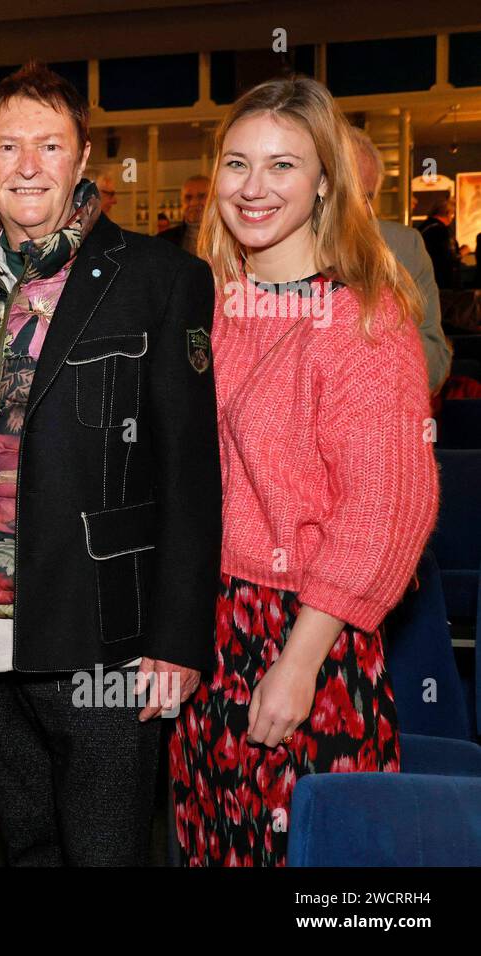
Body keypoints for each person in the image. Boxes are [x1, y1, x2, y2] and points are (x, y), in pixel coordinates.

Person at [0, 61, 221, 866]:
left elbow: (190, 473)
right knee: (29, 846)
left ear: (83, 159)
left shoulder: (161, 278)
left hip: (102, 639)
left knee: (105, 852)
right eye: (8, 146)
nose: (29, 166)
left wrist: (179, 640)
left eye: (50, 144)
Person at [170, 76, 439, 867]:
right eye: (237, 163)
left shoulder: (363, 319)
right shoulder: (211, 303)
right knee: (212, 844)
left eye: (283, 166)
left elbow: (386, 509)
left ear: (328, 180)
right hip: (208, 622)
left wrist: (298, 663)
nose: (253, 189)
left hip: (306, 631)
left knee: (306, 862)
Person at [348, 126, 450, 392]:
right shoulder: (268, 251)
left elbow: (436, 357)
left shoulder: (404, 247)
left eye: (364, 197)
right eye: (342, 193)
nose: (351, 210)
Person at [417, 197, 462, 290]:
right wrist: (463, 252)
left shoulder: (422, 228)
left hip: (424, 279)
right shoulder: (443, 231)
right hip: (444, 282)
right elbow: (451, 257)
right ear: (448, 213)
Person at [159, 174, 211, 253]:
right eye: (188, 197)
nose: (194, 203)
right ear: (182, 202)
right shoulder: (164, 241)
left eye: (201, 196)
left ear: (215, 199)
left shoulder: (230, 238)